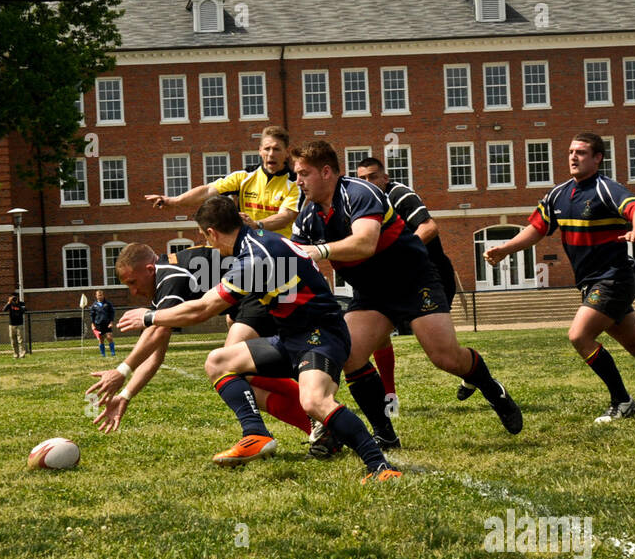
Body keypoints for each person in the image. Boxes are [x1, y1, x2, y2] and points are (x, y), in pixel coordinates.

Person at [116, 197, 400, 484]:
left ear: (212, 233)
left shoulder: (253, 257)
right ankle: (256, 434)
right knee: (218, 361)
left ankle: (379, 466)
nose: (209, 244)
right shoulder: (258, 241)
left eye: (205, 237)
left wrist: (149, 317)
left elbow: (203, 309)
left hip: (319, 335)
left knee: (315, 401)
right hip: (289, 338)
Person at [290, 139, 522, 446]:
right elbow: (295, 261)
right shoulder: (307, 216)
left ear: (327, 172)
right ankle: (385, 435)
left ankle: (492, 389)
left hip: (413, 281)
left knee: (446, 357)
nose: (298, 181)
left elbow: (364, 243)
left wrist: (316, 251)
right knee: (351, 355)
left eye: (303, 173)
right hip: (371, 293)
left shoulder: (360, 192)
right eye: (296, 174)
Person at [482, 133, 635, 423]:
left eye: (581, 153)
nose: (573, 157)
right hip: (592, 282)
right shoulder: (558, 194)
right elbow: (536, 229)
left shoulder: (607, 189)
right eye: (571, 152)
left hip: (613, 278)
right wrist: (506, 248)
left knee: (579, 336)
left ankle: (621, 400)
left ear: (597, 158)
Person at [87, 243, 313, 440]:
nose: (134, 291)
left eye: (133, 282)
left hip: (266, 292)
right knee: (241, 372)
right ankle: (314, 419)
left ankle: (275, 430)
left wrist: (122, 371)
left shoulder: (170, 276)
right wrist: (125, 395)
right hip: (255, 297)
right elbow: (156, 354)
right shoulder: (163, 281)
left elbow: (157, 332)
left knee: (228, 367)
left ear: (149, 269)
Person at [144, 125, 300, 348]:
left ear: (287, 152)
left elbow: (286, 216)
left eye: (277, 149)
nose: (271, 154)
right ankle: (247, 361)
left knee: (280, 325)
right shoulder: (245, 177)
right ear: (259, 150)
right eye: (267, 148)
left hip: (281, 260)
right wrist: (173, 201)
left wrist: (258, 224)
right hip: (248, 257)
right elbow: (208, 190)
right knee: (233, 317)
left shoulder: (294, 184)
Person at [354, 156, 458, 415]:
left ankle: (473, 376)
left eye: (374, 177)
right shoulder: (358, 203)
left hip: (429, 274)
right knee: (376, 337)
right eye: (363, 178)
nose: (369, 183)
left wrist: (399, 256)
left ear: (385, 178)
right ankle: (390, 396)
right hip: (389, 279)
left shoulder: (398, 193)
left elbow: (429, 227)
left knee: (443, 352)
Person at [88, 289, 115, 357]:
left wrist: (111, 322)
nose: (100, 296)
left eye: (101, 295)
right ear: (96, 296)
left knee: (109, 337)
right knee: (101, 339)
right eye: (98, 295)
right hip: (98, 324)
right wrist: (92, 324)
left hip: (107, 324)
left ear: (103, 295)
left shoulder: (108, 304)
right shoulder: (94, 306)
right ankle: (103, 354)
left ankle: (113, 352)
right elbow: (92, 316)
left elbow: (112, 313)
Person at [2, 294, 27, 358]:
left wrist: (17, 304)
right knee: (13, 341)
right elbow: (4, 310)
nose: (14, 299)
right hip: (11, 325)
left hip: (19, 324)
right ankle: (16, 354)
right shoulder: (10, 304)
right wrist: (8, 303)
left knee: (20, 340)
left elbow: (24, 311)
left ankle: (22, 353)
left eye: (15, 298)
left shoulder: (22, 303)